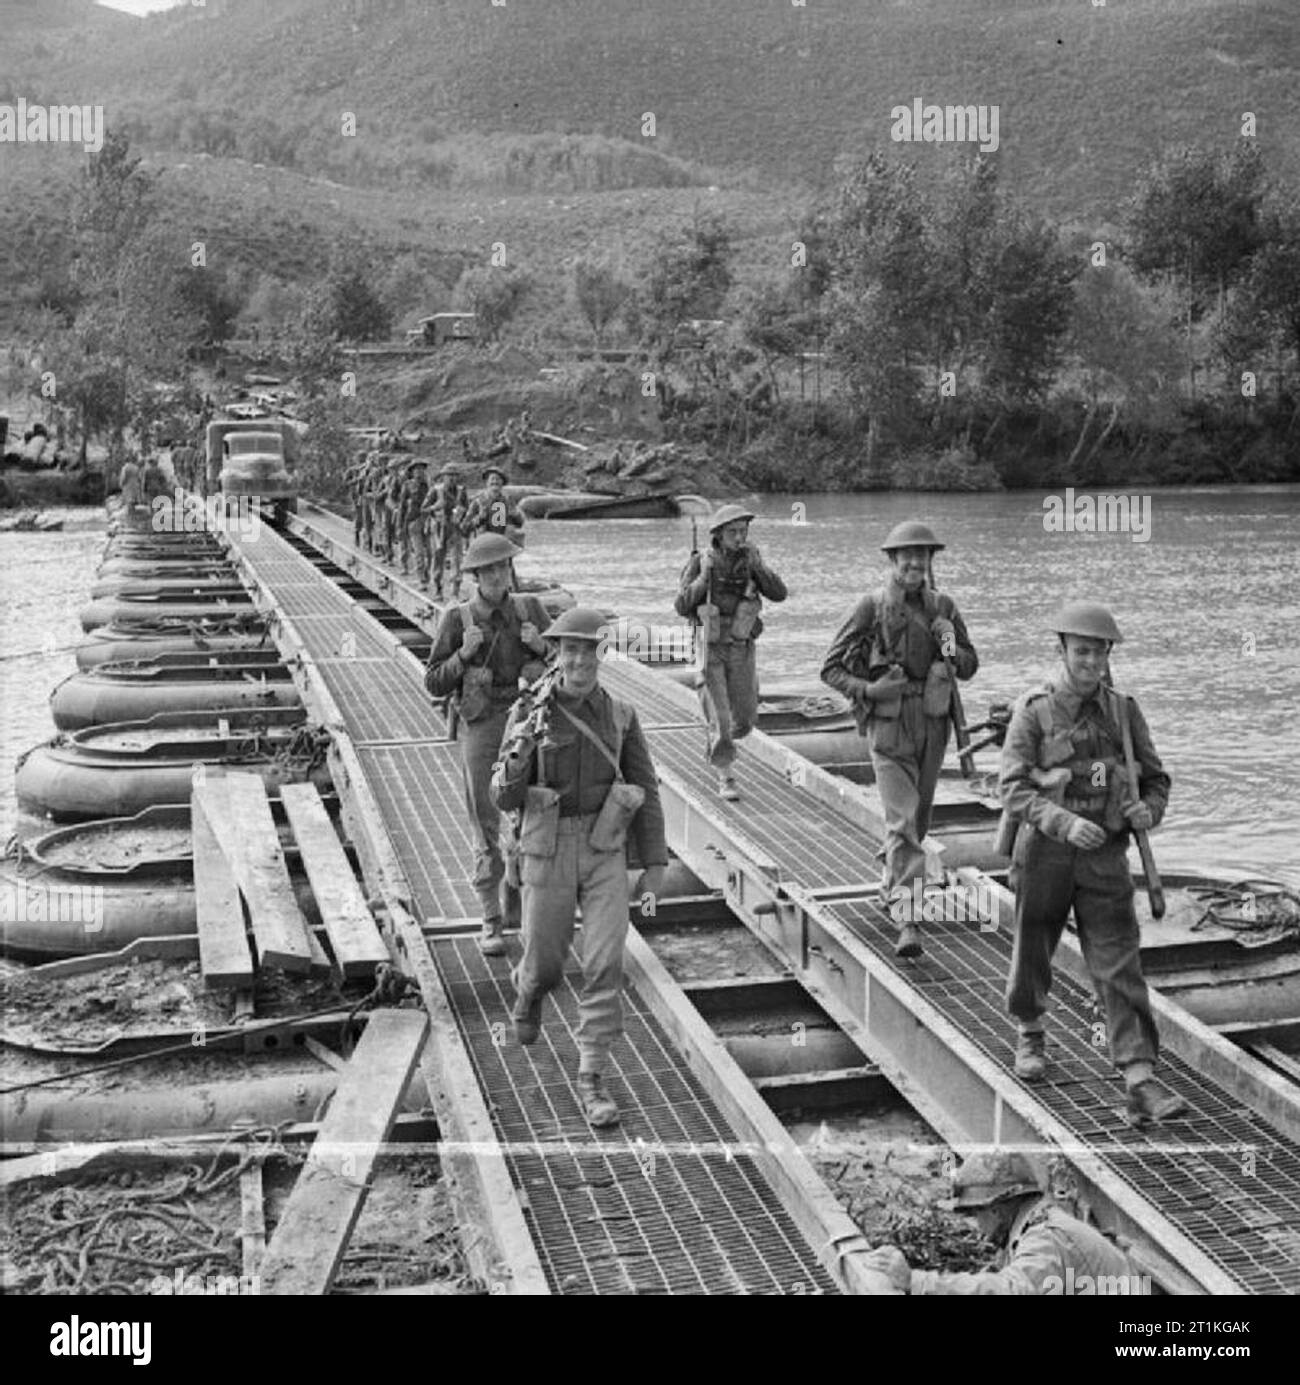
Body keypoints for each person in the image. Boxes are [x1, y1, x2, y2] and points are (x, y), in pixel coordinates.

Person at [999, 602, 1188, 1127]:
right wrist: (1060, 821)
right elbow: (1010, 788)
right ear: (1062, 651)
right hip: (1045, 853)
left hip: (1105, 855)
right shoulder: (1034, 711)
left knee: (1119, 963)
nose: (1090, 662)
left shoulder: (1124, 713)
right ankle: (1031, 1033)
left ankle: (1139, 1078)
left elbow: (1157, 779)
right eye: (1081, 651)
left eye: (1099, 652)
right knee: (1033, 945)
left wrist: (1146, 810)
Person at [490, 606, 667, 1128]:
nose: (579, 659)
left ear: (600, 654)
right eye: (569, 649)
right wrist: (521, 749)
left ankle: (592, 1074)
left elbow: (646, 787)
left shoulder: (620, 717)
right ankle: (528, 992)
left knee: (604, 962)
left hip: (604, 845)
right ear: (557, 655)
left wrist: (653, 863)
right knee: (545, 963)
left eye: (588, 649)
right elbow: (501, 796)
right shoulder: (527, 714)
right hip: (546, 847)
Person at [820, 521, 978, 959]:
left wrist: (951, 645)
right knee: (903, 822)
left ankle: (892, 881)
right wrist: (868, 691)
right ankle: (909, 919)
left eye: (922, 556)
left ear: (930, 561)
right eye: (906, 556)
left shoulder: (943, 606)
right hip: (888, 725)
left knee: (919, 820)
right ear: (892, 561)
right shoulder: (870, 607)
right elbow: (831, 668)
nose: (914, 563)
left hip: (932, 722)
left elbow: (968, 665)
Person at [424, 534, 552, 957]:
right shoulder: (458, 618)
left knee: (530, 810)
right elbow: (434, 681)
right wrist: (463, 656)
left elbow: (563, 665)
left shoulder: (529, 609)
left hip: (525, 719)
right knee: (484, 818)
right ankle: (491, 918)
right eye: (490, 569)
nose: (499, 575)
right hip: (480, 724)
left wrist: (542, 646)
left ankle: (521, 908)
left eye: (504, 567)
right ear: (475, 576)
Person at [864, 1151, 1147, 1295]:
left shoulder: (1046, 1237)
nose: (977, 1227)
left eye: (977, 1214)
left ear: (998, 1208)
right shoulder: (1033, 1227)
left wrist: (918, 1281)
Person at [674, 504, 788, 801]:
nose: (738, 538)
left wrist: (759, 569)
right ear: (718, 536)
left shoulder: (752, 561)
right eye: (732, 532)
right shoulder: (701, 562)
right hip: (708, 647)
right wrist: (703, 580)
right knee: (722, 719)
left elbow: (780, 593)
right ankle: (726, 776)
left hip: (741, 646)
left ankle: (716, 737)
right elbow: (681, 605)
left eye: (743, 532)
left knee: (747, 717)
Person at [423, 463, 468, 600]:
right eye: (449, 476)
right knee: (438, 559)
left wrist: (462, 513)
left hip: (455, 528)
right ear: (443, 477)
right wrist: (435, 507)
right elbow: (423, 509)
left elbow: (467, 508)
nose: (452, 479)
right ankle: (437, 588)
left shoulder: (461, 491)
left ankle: (455, 591)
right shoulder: (435, 491)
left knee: (457, 560)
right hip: (439, 528)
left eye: (454, 476)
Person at [461, 465, 524, 544]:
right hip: (484, 545)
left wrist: (515, 515)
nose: (495, 482)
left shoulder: (508, 501)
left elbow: (520, 524)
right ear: (486, 483)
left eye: (498, 479)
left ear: (502, 483)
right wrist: (479, 518)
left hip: (503, 545)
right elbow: (464, 528)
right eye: (492, 479)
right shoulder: (478, 501)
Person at [397, 460, 429, 583]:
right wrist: (400, 525)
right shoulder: (407, 485)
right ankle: (421, 577)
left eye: (422, 469)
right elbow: (402, 506)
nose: (420, 472)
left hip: (426, 521)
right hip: (412, 521)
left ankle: (425, 574)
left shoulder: (427, 485)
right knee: (418, 551)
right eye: (417, 469)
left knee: (429, 552)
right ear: (412, 472)